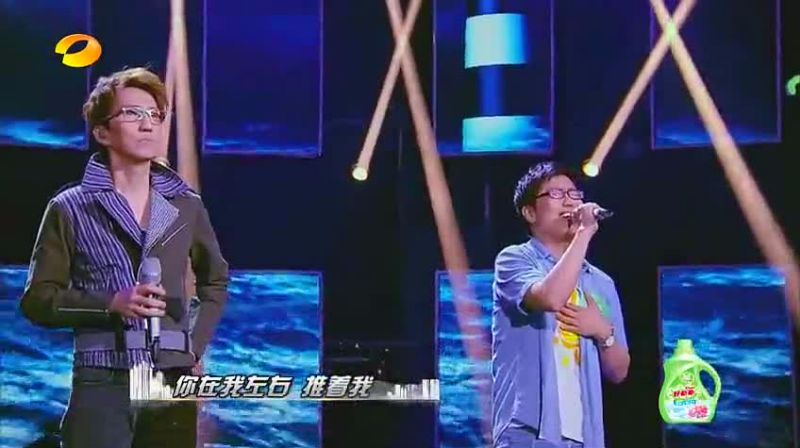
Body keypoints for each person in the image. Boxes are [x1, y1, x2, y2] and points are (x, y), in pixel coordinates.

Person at [19, 67, 229, 447]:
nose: (148, 124)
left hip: (171, 381)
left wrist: (192, 345)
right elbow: (37, 300)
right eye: (132, 113)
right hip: (101, 380)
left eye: (155, 115)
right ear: (102, 132)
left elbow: (215, 280)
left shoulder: (186, 205)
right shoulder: (69, 207)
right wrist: (110, 303)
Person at [492, 161, 630, 448]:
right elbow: (550, 297)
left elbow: (619, 372)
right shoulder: (514, 260)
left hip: (584, 439)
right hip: (528, 434)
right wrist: (584, 233)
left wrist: (603, 332)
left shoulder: (601, 283)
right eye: (556, 194)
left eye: (574, 194)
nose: (569, 201)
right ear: (530, 212)